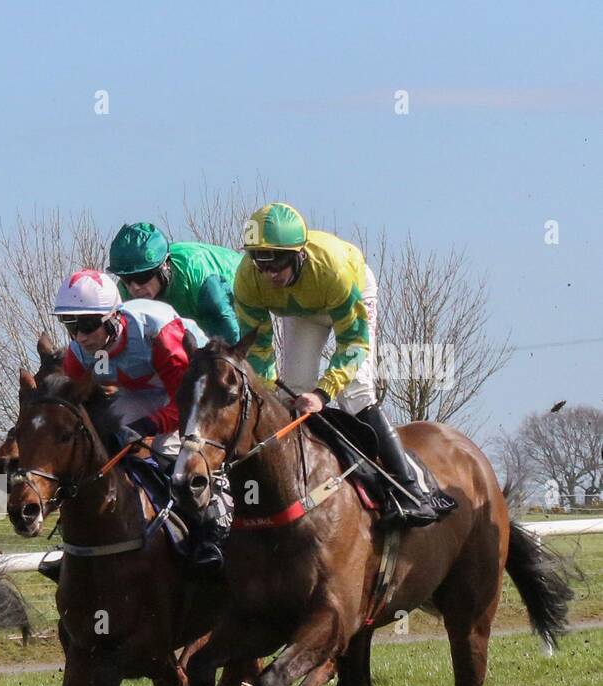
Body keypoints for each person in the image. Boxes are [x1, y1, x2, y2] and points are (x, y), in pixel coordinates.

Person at [234, 202, 448, 526]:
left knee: (356, 393)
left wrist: (324, 393)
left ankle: (408, 487)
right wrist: (269, 387)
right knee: (290, 393)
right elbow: (259, 349)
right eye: (260, 265)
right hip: (302, 310)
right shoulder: (247, 279)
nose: (268, 275)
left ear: (298, 255)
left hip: (352, 292)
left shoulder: (332, 269)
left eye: (277, 265)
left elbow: (354, 343)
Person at [52, 269, 230, 571]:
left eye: (87, 324)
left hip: (193, 391)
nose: (80, 337)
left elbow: (183, 404)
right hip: (142, 390)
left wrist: (148, 426)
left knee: (177, 454)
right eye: (70, 326)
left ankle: (212, 530)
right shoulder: (78, 355)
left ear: (113, 317)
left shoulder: (159, 332)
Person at [107, 222, 243, 344]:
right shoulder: (123, 294)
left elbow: (231, 336)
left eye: (142, 277)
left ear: (164, 267)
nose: (134, 287)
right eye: (126, 279)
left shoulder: (199, 278)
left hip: (245, 296)